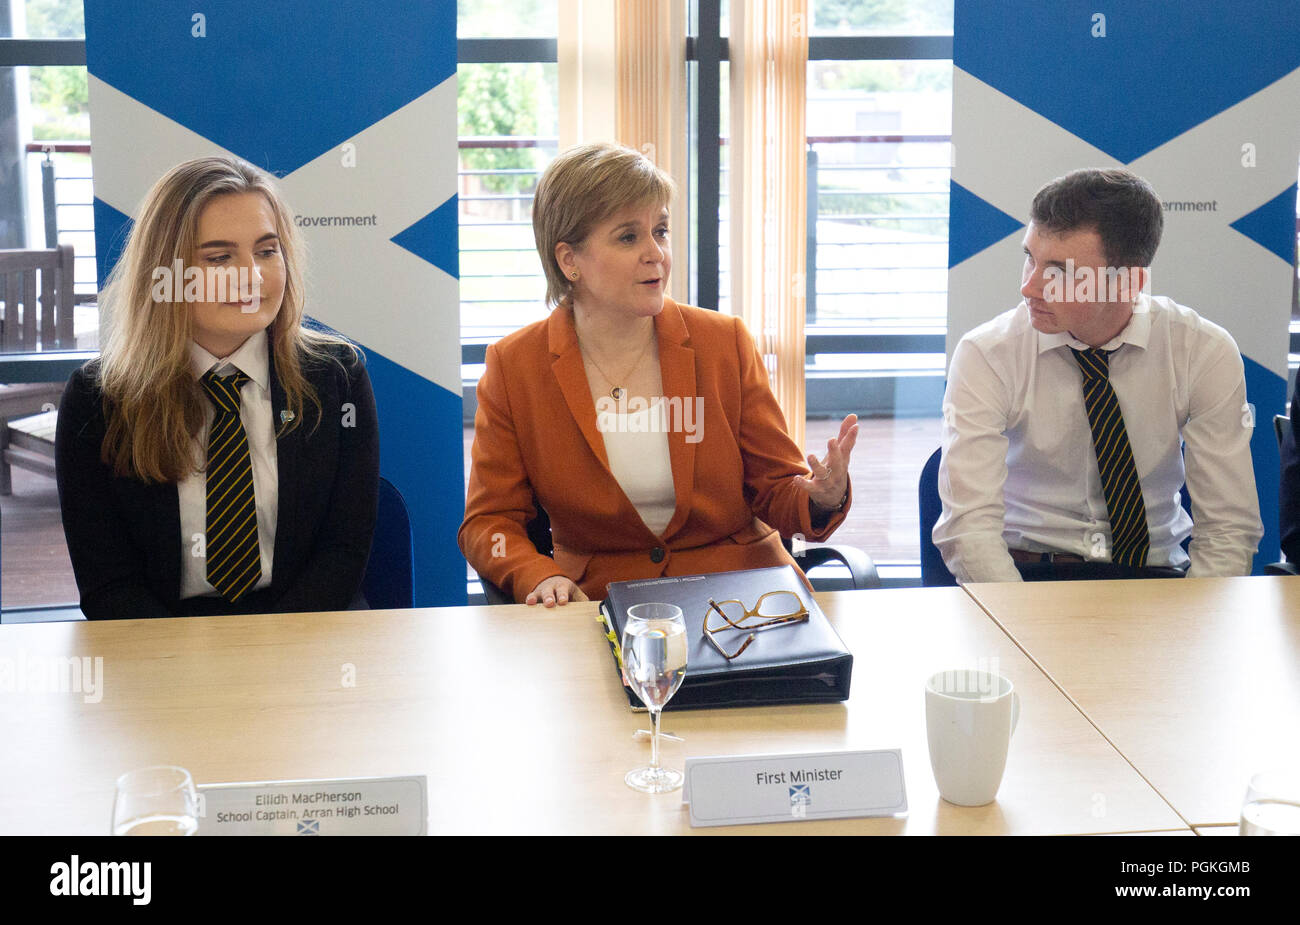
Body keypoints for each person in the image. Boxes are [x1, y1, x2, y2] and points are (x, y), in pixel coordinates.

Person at [459, 142, 858, 606]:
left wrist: (822, 496)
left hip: (743, 596)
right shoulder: (515, 366)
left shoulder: (723, 341)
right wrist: (536, 574)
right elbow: (488, 522)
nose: (656, 254)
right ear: (570, 261)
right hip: (602, 603)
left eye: (661, 231)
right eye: (628, 237)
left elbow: (777, 490)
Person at [56, 155, 379, 618]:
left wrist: (269, 656)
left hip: (309, 631)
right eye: (220, 257)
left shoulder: (337, 376)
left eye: (267, 251)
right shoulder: (99, 398)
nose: (252, 275)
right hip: (160, 647)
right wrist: (190, 670)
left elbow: (343, 552)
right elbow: (109, 584)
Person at [934, 167, 1262, 583]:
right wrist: (1021, 626)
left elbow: (1228, 528)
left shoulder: (1202, 351)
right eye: (1029, 259)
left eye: (1059, 272)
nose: (1030, 288)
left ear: (1126, 282)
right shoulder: (987, 354)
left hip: (1156, 577)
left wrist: (1192, 627)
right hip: (1024, 577)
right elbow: (969, 530)